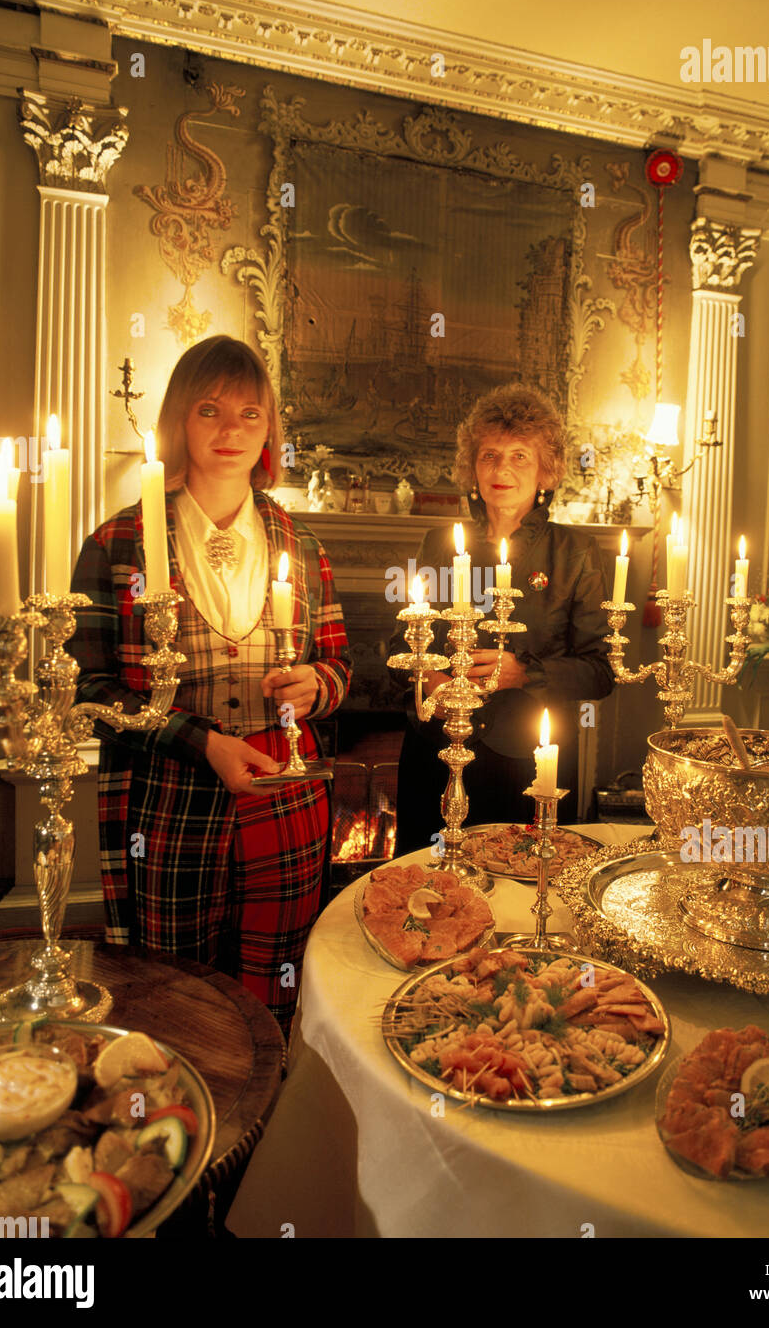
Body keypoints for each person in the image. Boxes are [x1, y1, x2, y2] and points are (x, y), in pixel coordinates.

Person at [69, 336, 351, 1027]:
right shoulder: (119, 543)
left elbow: (342, 667)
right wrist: (203, 743)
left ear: (268, 432)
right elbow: (91, 691)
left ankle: (273, 1123)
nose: (230, 431)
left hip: (287, 805)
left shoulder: (302, 544)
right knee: (174, 993)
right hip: (168, 804)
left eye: (249, 415)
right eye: (209, 410)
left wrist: (319, 685)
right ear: (178, 421)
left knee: (276, 986)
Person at [390, 383, 614, 854]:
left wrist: (524, 673)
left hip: (531, 764)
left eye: (519, 457)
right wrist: (427, 677)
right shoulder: (438, 545)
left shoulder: (575, 552)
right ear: (472, 467)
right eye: (489, 455)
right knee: (426, 888)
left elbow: (601, 672)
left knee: (520, 888)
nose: (502, 470)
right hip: (436, 753)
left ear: (545, 474)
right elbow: (396, 651)